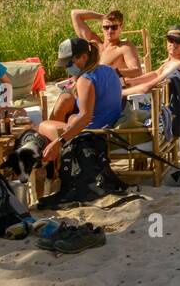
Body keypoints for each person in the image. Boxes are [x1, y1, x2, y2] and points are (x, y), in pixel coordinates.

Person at [36, 37, 125, 192]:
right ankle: (55, 163)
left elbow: (85, 117)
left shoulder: (86, 79)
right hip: (109, 125)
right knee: (67, 106)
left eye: (69, 64)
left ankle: (53, 165)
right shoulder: (109, 70)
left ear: (83, 57)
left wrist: (59, 141)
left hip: (91, 135)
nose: (66, 69)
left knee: (43, 126)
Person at [70, 8, 143, 79]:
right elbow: (75, 14)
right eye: (106, 27)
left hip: (111, 88)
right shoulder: (95, 43)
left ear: (121, 27)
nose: (110, 30)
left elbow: (137, 71)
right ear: (102, 28)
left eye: (114, 27)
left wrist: (111, 71)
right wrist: (102, 17)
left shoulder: (124, 47)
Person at [123, 25, 180, 96]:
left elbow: (146, 88)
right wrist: (132, 81)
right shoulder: (174, 60)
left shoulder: (177, 65)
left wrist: (119, 93)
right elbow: (157, 73)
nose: (173, 44)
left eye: (178, 41)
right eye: (170, 40)